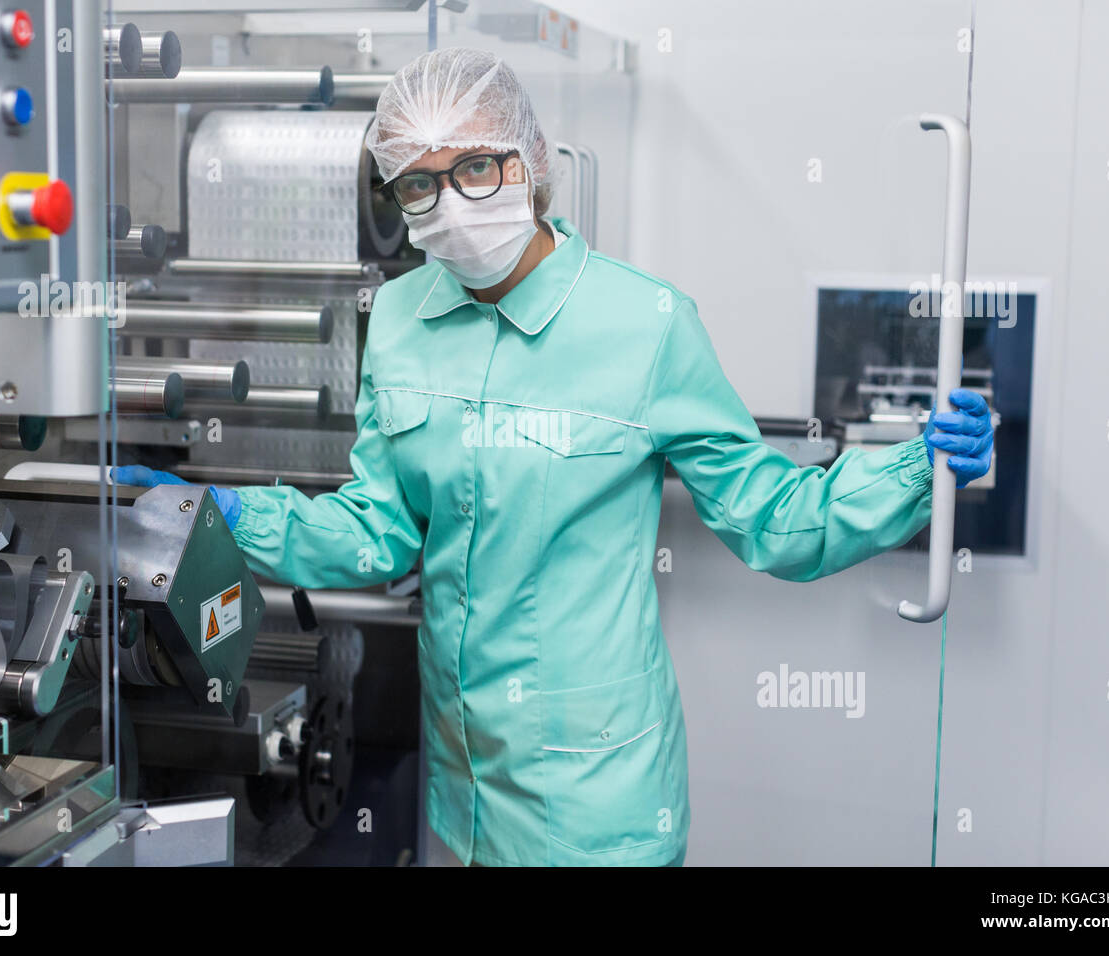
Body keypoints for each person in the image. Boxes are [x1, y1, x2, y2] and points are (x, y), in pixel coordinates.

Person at [113, 47, 994, 867]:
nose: (451, 202)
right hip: (462, 787)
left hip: (597, 803)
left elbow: (778, 523)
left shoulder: (646, 327)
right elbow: (378, 532)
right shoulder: (404, 322)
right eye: (419, 185)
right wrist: (222, 515)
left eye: (475, 168)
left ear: (532, 162)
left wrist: (921, 467)